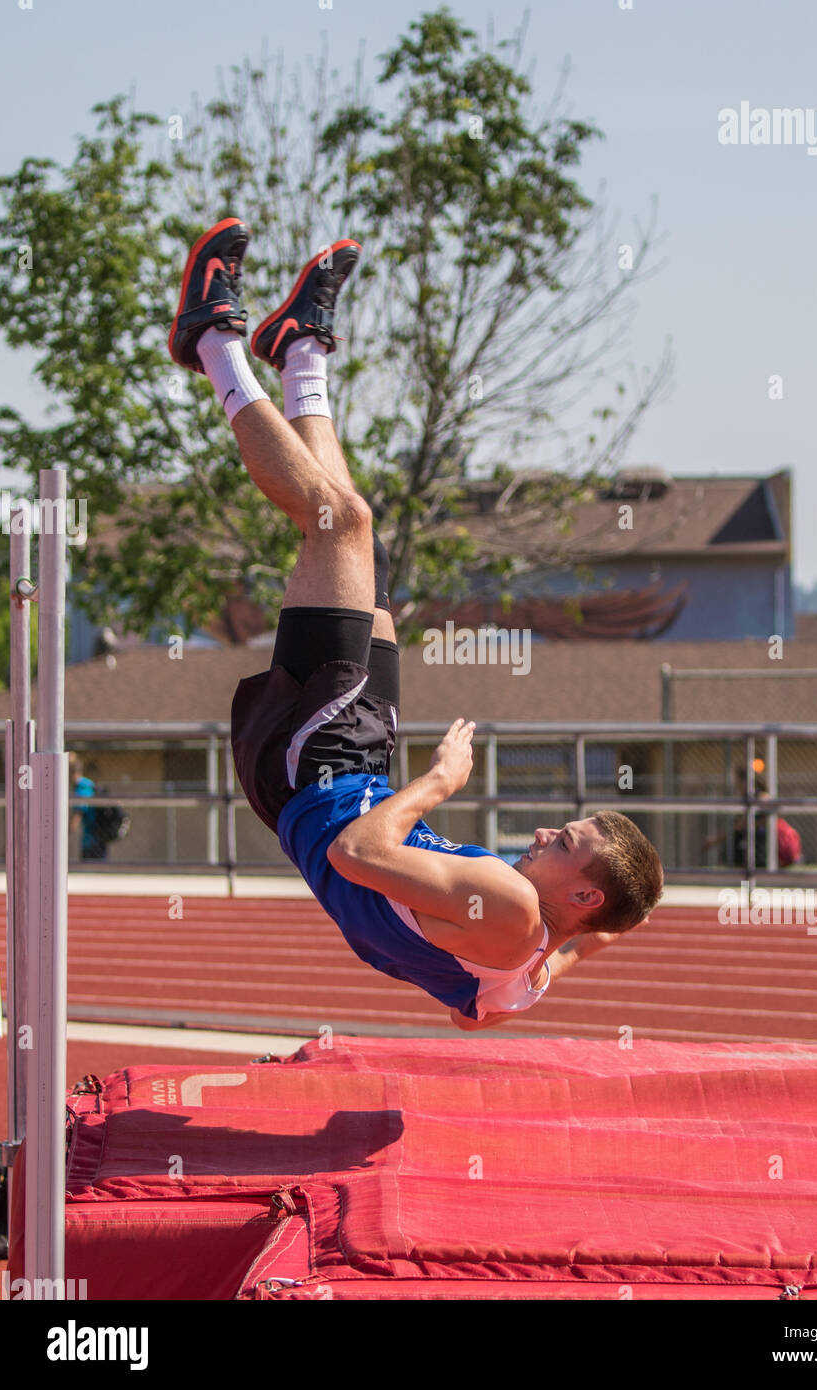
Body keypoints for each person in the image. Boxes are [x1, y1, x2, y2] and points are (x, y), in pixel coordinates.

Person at [168, 218, 664, 1029]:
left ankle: (211, 343)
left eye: (566, 840)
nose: (545, 830)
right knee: (374, 572)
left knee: (338, 523)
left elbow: (356, 854)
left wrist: (442, 780)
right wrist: (592, 939)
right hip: (343, 772)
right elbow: (492, 1012)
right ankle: (299, 350)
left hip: (319, 773)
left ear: (579, 891)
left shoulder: (510, 906)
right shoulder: (522, 962)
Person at [69, 752, 107, 861]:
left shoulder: (82, 788)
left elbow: (77, 816)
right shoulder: (89, 784)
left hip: (92, 839)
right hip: (98, 835)